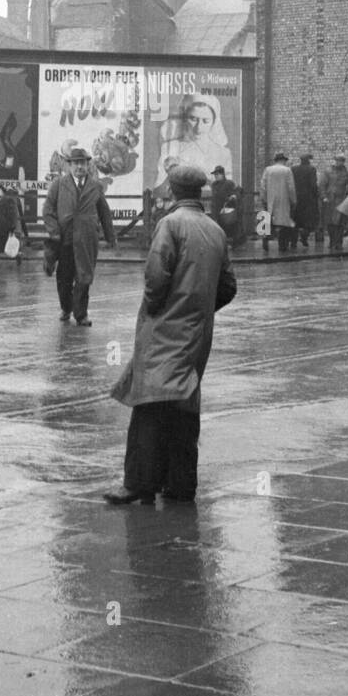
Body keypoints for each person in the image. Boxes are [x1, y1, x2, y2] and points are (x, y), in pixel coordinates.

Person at [105, 166, 237, 505]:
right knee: (183, 405)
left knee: (149, 404)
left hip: (164, 328)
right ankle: (180, 484)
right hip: (197, 331)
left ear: (174, 192)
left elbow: (156, 277)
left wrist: (157, 309)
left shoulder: (170, 224)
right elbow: (228, 287)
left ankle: (138, 483)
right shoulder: (215, 230)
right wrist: (200, 308)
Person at [42, 147, 117, 326]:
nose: (79, 167)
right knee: (64, 278)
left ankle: (81, 314)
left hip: (86, 239)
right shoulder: (59, 185)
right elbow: (48, 210)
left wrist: (110, 237)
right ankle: (66, 308)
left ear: (87, 165)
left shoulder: (95, 186)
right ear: (69, 165)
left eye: (82, 163)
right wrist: (54, 232)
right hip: (64, 238)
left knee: (84, 277)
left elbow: (104, 213)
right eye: (75, 163)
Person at [153, 94, 233, 189]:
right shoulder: (170, 147)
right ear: (184, 118)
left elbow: (227, 190)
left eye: (206, 121)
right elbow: (158, 190)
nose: (199, 127)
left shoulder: (223, 153)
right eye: (193, 119)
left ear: (214, 122)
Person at [259, 151, 298, 254]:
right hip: (283, 200)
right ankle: (282, 245)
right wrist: (293, 200)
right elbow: (291, 188)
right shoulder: (287, 170)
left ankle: (265, 240)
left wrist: (263, 198)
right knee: (284, 223)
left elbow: (263, 186)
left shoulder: (268, 170)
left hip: (270, 199)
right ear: (283, 160)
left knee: (267, 220)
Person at [0, 181, 27, 267]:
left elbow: (13, 213)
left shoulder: (8, 200)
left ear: (2, 191)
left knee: (9, 244)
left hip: (5, 226)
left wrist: (12, 226)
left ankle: (18, 255)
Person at [209, 165, 245, 249]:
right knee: (219, 228)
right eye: (215, 174)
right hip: (217, 210)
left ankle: (233, 244)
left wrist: (233, 197)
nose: (216, 176)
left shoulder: (229, 183)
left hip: (228, 211)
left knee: (230, 227)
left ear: (223, 174)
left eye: (218, 174)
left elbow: (238, 192)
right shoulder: (214, 185)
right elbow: (214, 198)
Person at [321, 154, 348, 250]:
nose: (339, 162)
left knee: (341, 223)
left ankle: (339, 242)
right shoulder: (328, 171)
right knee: (330, 223)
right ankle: (332, 241)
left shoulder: (347, 173)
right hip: (330, 200)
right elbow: (322, 185)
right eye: (337, 160)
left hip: (342, 200)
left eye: (341, 161)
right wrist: (324, 197)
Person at [292, 153, 321, 247]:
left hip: (296, 198)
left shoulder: (294, 169)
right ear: (308, 160)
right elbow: (313, 185)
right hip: (309, 199)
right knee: (310, 220)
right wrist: (316, 195)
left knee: (296, 219)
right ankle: (304, 236)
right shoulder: (311, 169)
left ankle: (293, 242)